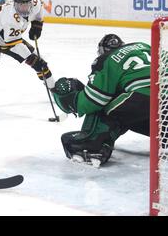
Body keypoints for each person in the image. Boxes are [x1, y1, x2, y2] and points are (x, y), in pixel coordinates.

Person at [51, 34, 150, 167]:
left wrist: (72, 100)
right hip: (163, 100)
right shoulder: (143, 46)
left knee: (105, 108)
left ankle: (93, 146)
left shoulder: (106, 59)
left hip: (145, 94)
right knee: (130, 114)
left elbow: (93, 100)